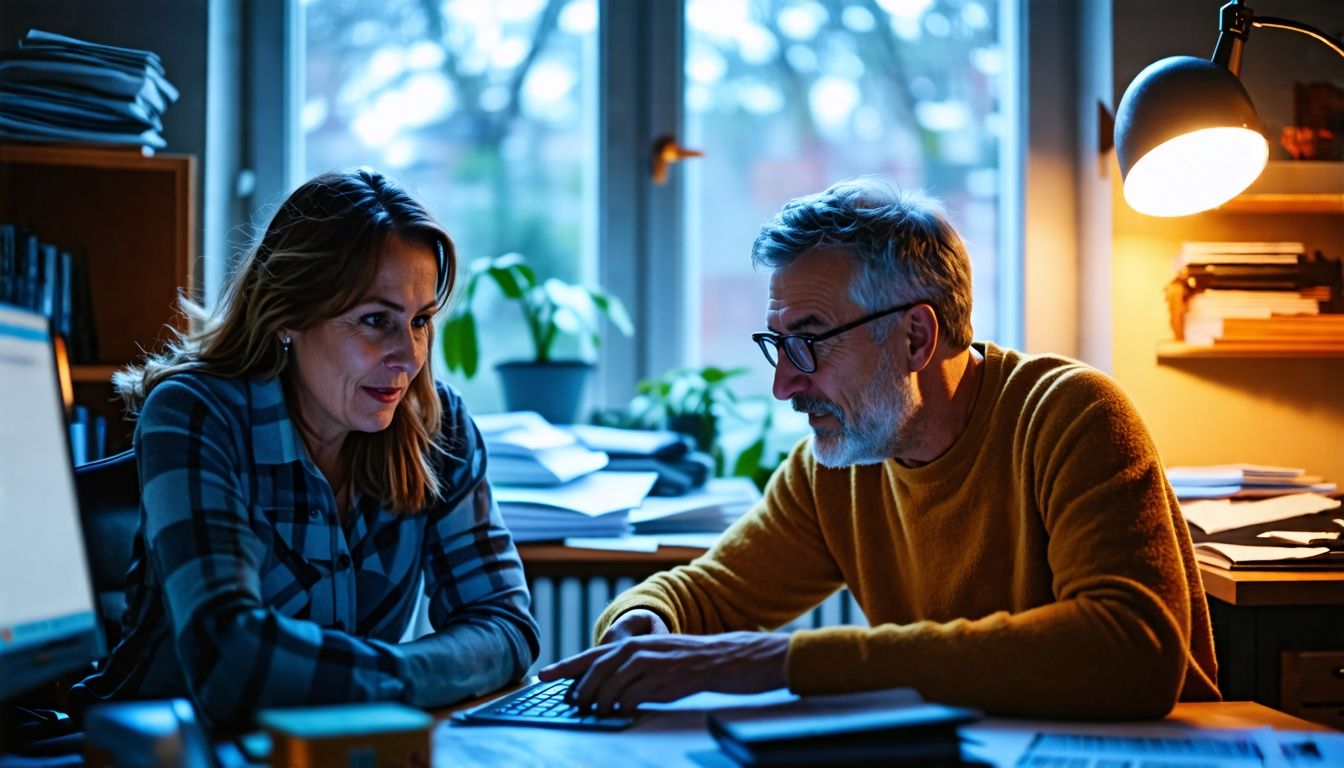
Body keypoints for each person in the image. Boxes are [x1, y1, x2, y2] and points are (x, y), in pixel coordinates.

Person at [542, 177, 1220, 719]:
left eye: (809, 339)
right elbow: (707, 596)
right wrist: (642, 627)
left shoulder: (1071, 415)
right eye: (777, 345)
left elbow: (1132, 651)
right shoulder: (837, 465)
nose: (784, 383)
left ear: (916, 340)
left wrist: (773, 661)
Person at [72, 169, 540, 728]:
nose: (409, 357)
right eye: (375, 321)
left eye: (419, 322)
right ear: (288, 313)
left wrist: (385, 680)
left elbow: (506, 624)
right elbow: (229, 660)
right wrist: (409, 676)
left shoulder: (439, 426)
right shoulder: (194, 412)